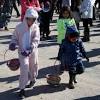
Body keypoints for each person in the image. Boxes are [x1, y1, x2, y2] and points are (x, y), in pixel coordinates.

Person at [9, 8, 40, 98]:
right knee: (24, 69)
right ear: (26, 18)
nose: (32, 21)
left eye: (33, 19)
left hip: (32, 51)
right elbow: (14, 38)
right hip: (22, 52)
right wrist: (13, 44)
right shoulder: (19, 27)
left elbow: (36, 39)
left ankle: (33, 79)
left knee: (33, 66)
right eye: (30, 19)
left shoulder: (36, 27)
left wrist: (31, 48)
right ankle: (22, 89)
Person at [57, 25, 89, 89]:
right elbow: (61, 50)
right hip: (69, 60)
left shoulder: (79, 41)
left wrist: (85, 55)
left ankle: (74, 76)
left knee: (81, 70)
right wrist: (59, 56)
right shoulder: (65, 42)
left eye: (76, 38)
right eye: (73, 38)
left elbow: (82, 48)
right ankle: (70, 82)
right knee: (72, 71)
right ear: (68, 36)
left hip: (78, 59)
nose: (75, 39)